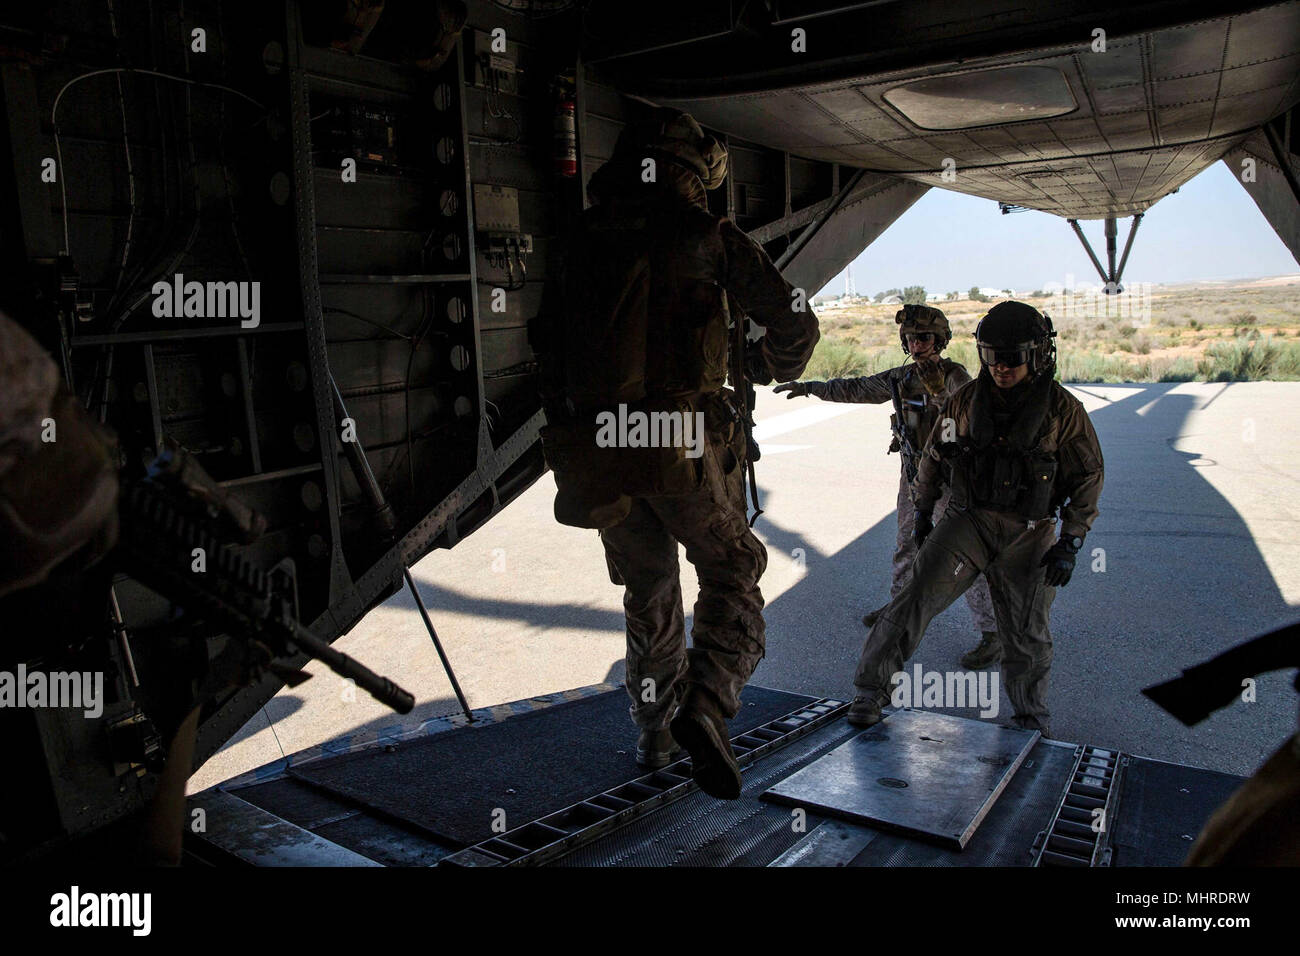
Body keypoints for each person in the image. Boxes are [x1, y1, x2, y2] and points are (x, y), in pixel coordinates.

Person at [529, 108, 819, 798]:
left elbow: (545, 342)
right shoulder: (706, 234)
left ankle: (654, 733)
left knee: (649, 587)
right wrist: (767, 362)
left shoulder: (579, 238)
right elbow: (794, 323)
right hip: (678, 442)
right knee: (734, 565)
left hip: (598, 447)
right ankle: (710, 705)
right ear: (697, 172)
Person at [845, 301, 1103, 737]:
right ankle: (870, 692)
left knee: (1026, 634)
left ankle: (1030, 720)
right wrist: (923, 512)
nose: (1000, 368)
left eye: (1011, 358)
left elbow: (1087, 476)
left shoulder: (1062, 410)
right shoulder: (965, 401)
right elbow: (933, 457)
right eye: (989, 356)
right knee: (913, 600)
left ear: (1037, 355)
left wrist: (1071, 541)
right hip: (968, 523)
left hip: (1030, 532)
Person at [773, 304, 1001, 668]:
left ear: (939, 340)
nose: (917, 344)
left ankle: (992, 633)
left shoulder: (956, 376)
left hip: (952, 480)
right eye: (910, 338)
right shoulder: (900, 378)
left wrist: (938, 391)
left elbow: (970, 419)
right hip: (914, 475)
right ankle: (898, 611)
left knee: (964, 554)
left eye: (924, 338)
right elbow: (858, 388)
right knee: (906, 544)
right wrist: (811, 387)